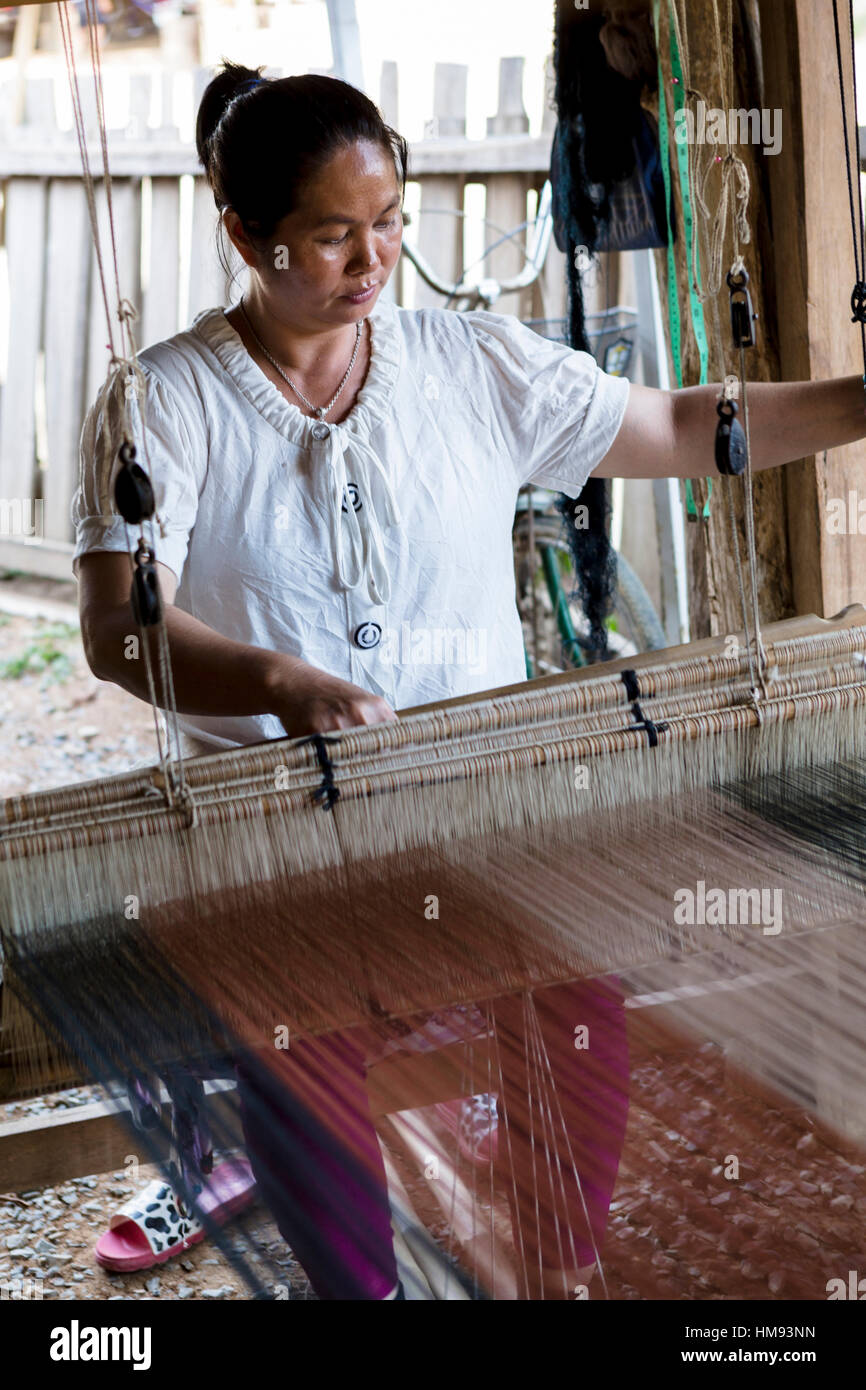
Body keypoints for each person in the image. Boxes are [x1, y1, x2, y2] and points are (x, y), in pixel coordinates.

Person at [73, 63, 866, 1300]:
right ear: (244, 232)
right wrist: (280, 679)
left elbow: (667, 426)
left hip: (477, 813)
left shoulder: (467, 364)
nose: (372, 258)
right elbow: (120, 631)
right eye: (332, 234)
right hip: (281, 835)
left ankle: (561, 1274)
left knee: (576, 979)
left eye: (389, 222)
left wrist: (857, 403)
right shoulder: (160, 402)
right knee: (299, 1040)